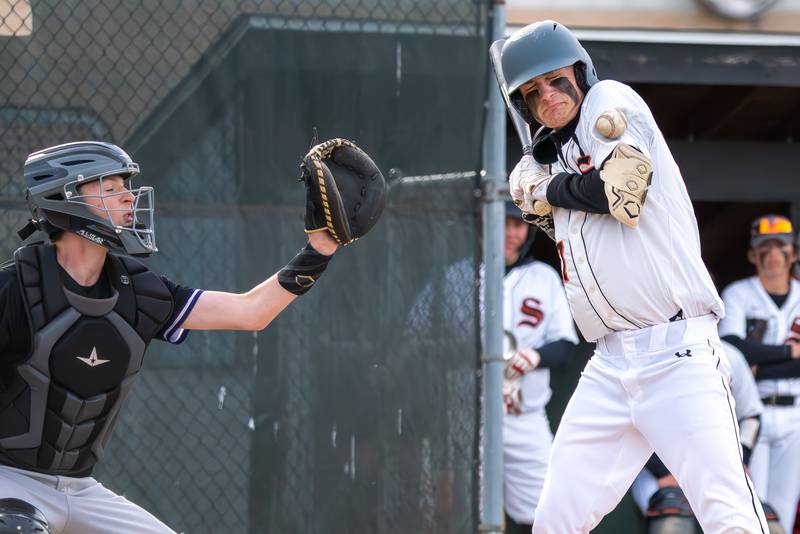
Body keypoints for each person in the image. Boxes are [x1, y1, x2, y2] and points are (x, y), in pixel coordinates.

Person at [0, 141, 381, 533]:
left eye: (126, 186)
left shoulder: (138, 292)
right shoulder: (16, 289)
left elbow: (250, 312)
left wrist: (318, 250)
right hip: (10, 483)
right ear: (65, 199)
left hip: (80, 489)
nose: (129, 197)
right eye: (111, 189)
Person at [497, 20, 768, 531]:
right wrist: (540, 179)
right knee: (555, 517)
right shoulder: (558, 155)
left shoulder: (609, 99)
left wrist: (547, 188)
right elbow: (558, 198)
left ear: (581, 73)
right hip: (609, 364)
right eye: (533, 92)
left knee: (726, 512)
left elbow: (622, 192)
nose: (548, 95)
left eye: (557, 80)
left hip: (676, 352)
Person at [630, 340, 785, 533]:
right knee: (672, 515)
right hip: (661, 467)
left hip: (718, 465)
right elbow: (633, 418)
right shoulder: (649, 352)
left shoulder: (729, 355)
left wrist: (739, 461)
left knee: (764, 521)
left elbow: (751, 417)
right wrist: (663, 472)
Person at [718, 214, 800, 533]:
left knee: (782, 510)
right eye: (765, 248)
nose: (774, 254)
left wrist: (760, 362)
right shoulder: (739, 294)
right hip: (753, 411)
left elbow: (749, 355)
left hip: (795, 414)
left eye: (780, 246)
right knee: (752, 504)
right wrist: (790, 352)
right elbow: (733, 350)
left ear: (793, 253)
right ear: (753, 255)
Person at [500, 203, 577, 533]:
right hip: (466, 418)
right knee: (461, 508)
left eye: (518, 224)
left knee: (547, 513)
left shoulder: (543, 278)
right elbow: (419, 339)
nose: (511, 232)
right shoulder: (461, 272)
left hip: (524, 416)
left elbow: (565, 346)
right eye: (504, 222)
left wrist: (532, 357)